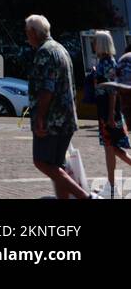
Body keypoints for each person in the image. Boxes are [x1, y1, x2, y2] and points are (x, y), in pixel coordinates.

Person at [26, 14, 92, 199]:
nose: (27, 36)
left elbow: (47, 88)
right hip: (67, 117)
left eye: (27, 32)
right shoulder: (60, 49)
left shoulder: (44, 52)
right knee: (57, 164)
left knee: (42, 162)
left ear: (34, 32)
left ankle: (85, 197)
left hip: (52, 120)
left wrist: (40, 117)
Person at [93, 30, 131, 198]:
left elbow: (112, 91)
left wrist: (109, 115)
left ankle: (111, 186)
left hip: (109, 111)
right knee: (111, 147)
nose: (93, 44)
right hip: (105, 110)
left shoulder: (107, 62)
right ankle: (111, 185)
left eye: (95, 41)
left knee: (110, 148)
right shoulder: (103, 61)